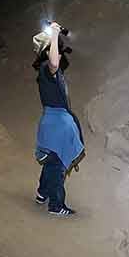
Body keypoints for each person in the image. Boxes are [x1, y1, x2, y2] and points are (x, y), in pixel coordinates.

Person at [33, 22, 84, 217]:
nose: (60, 53)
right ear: (47, 52)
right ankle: (55, 205)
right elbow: (54, 62)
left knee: (51, 162)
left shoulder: (51, 73)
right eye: (55, 48)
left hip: (56, 124)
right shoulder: (48, 68)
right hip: (55, 127)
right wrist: (54, 34)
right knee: (57, 167)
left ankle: (41, 193)